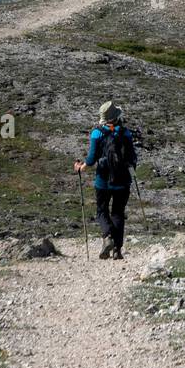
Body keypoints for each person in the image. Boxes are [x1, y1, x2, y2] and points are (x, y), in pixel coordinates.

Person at [74, 101, 138, 260]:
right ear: (117, 117)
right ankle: (117, 250)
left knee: (101, 210)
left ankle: (107, 236)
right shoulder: (126, 133)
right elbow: (132, 157)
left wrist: (82, 167)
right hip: (123, 180)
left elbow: (91, 158)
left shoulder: (97, 133)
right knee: (118, 212)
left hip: (103, 179)